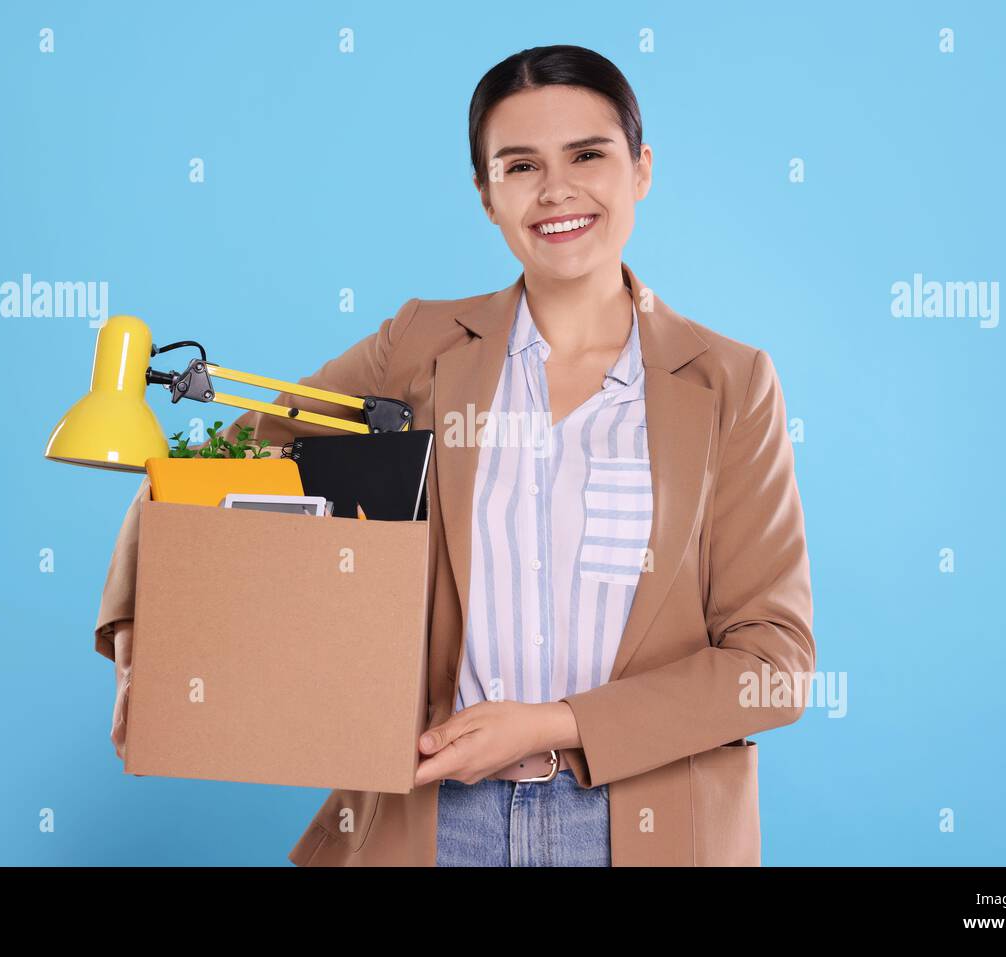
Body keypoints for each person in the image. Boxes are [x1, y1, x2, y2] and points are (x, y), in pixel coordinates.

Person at [95, 43, 815, 867]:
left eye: (588, 154)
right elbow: (228, 451)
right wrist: (137, 628)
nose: (556, 190)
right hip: (434, 820)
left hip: (648, 824)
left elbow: (774, 665)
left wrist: (554, 722)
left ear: (641, 169)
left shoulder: (730, 383)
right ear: (486, 194)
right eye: (520, 166)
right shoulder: (422, 348)